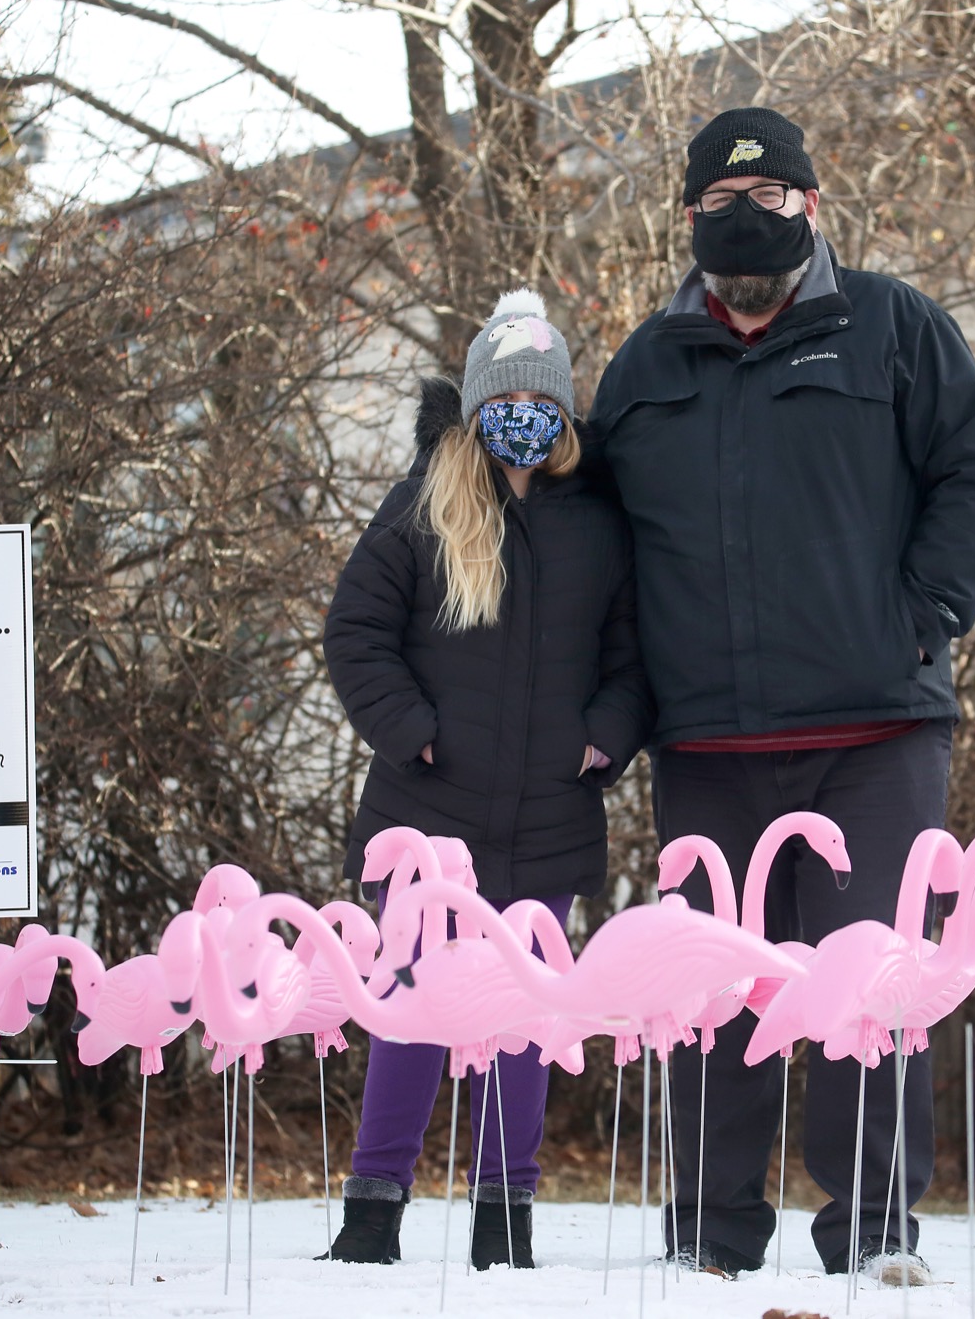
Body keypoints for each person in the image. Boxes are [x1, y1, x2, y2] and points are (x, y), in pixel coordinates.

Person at [586, 107, 975, 1283]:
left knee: (868, 988)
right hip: (708, 746)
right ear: (689, 219)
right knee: (714, 996)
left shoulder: (892, 328)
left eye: (769, 199)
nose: (745, 219)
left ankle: (872, 1231)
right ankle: (707, 1238)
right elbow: (594, 542)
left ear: (809, 207)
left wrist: (923, 611)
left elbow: (973, 472)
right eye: (721, 203)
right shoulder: (643, 366)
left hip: (873, 735)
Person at [320, 289, 652, 1269]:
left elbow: (634, 660)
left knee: (524, 1022)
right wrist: (410, 732)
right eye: (501, 397)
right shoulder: (425, 500)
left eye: (537, 399)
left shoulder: (598, 517)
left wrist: (604, 735)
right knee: (412, 1011)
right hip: (426, 820)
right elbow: (356, 634)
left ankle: (504, 1223)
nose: (520, 414)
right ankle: (372, 1211)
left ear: (561, 413)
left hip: (548, 816)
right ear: (475, 406)